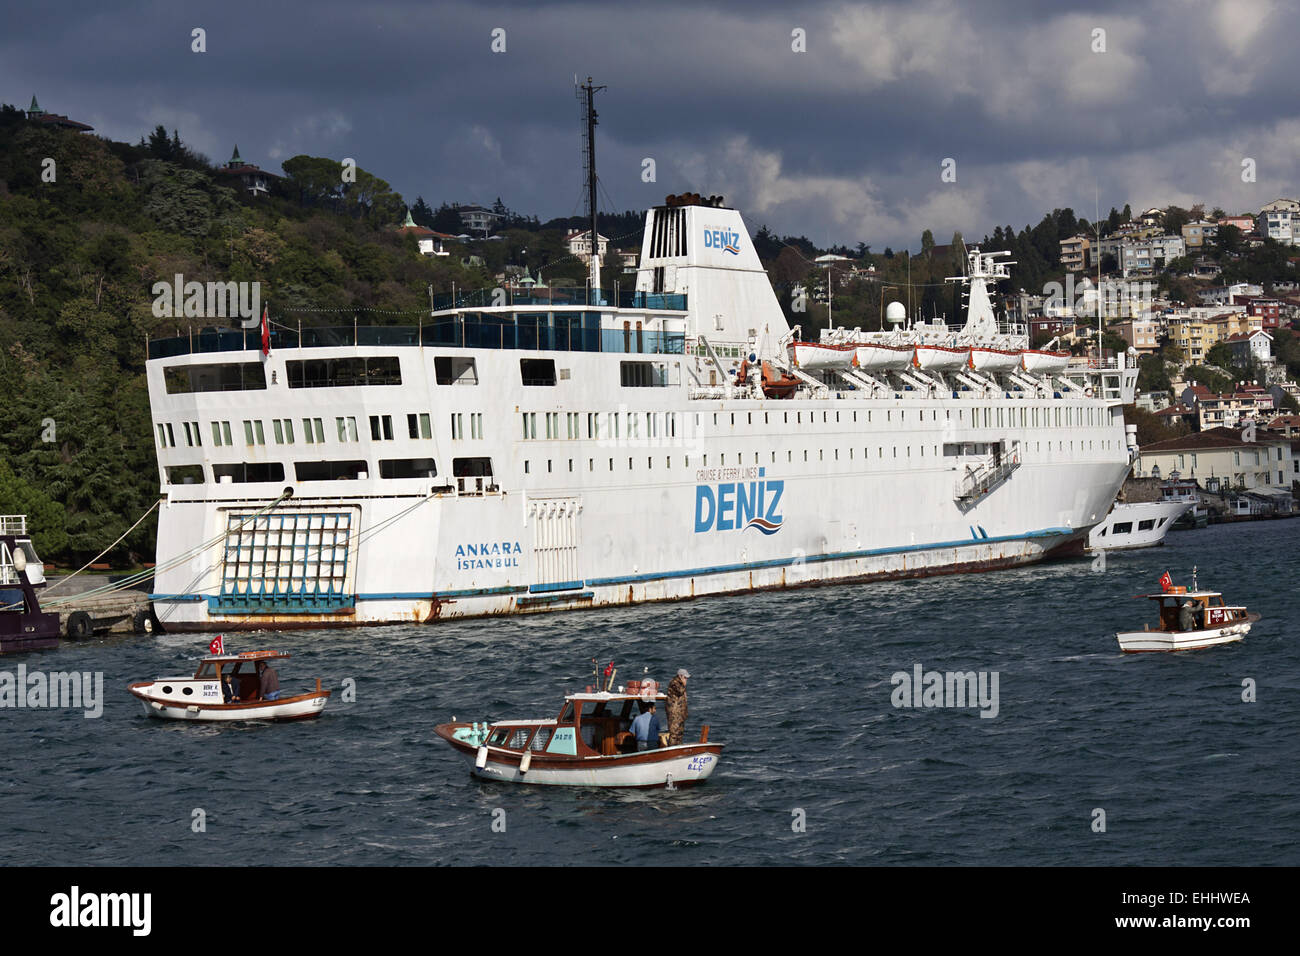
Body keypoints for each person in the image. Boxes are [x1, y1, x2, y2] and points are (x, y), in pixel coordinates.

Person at [665, 668, 689, 745]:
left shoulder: (680, 684)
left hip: (680, 714)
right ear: (680, 676)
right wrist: (683, 684)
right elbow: (680, 691)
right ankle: (671, 750)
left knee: (680, 733)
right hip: (674, 714)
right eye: (685, 678)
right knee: (674, 734)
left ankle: (679, 749)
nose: (686, 680)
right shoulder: (674, 683)